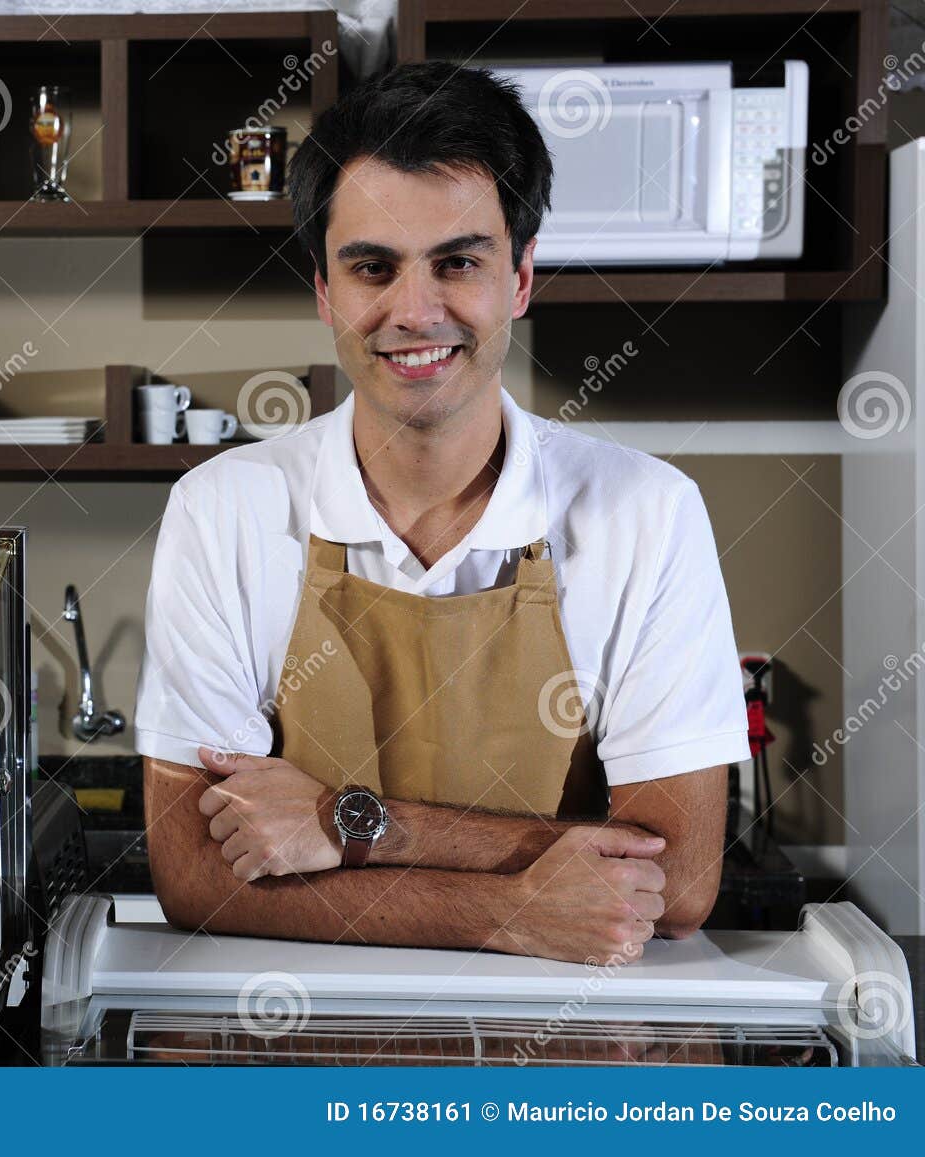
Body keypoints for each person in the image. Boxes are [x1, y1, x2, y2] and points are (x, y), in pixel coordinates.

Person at [134, 62, 750, 965]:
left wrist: (350, 824)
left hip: (565, 1064)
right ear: (324, 292)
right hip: (298, 1047)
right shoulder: (222, 510)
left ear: (521, 279)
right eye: (372, 267)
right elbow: (193, 873)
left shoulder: (649, 514)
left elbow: (677, 880)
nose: (414, 312)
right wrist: (510, 912)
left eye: (458, 262)